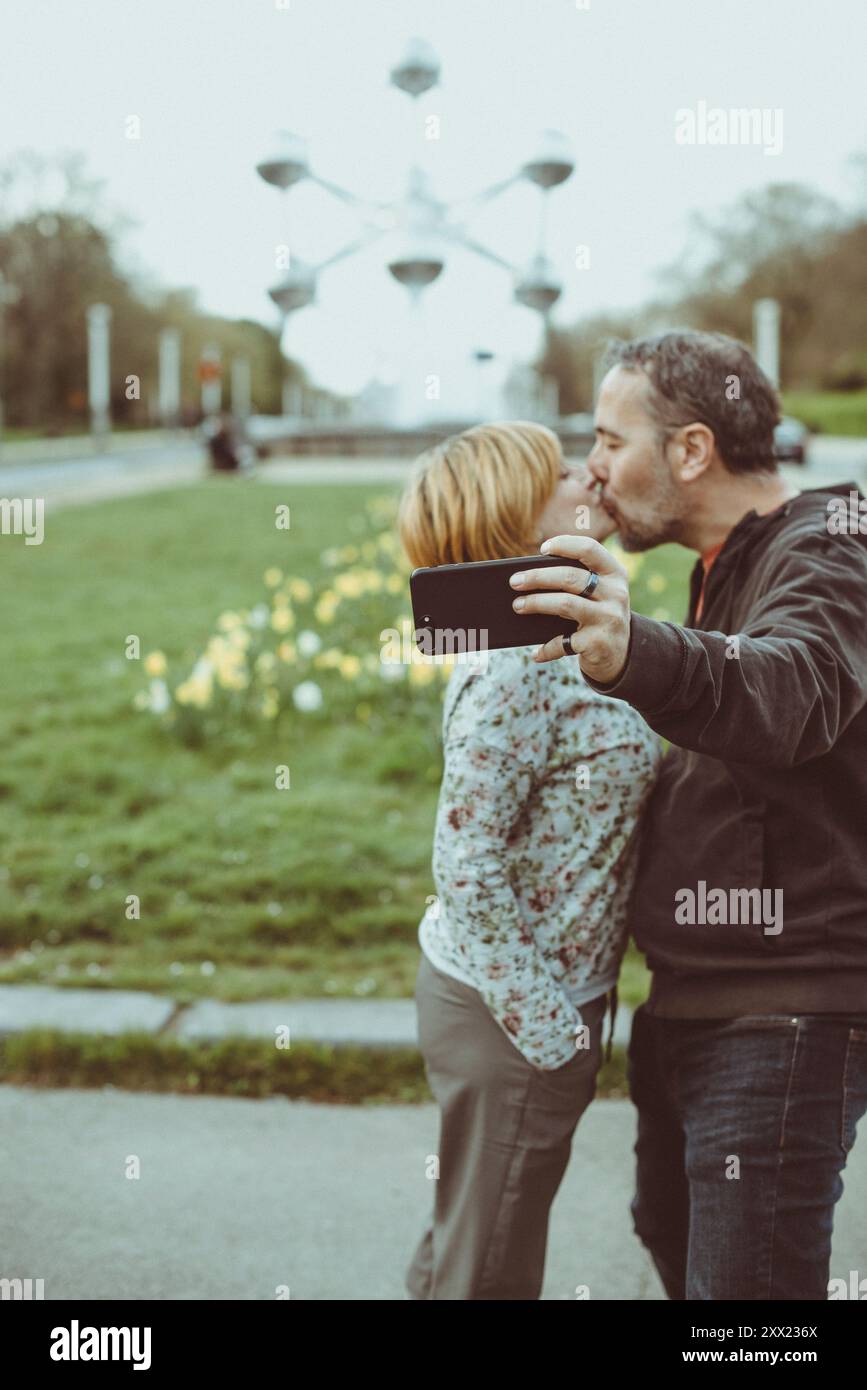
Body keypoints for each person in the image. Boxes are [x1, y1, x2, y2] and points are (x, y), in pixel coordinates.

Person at [509, 330, 867, 1300]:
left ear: (693, 450)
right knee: (676, 1241)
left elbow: (791, 688)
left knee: (746, 1305)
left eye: (609, 439)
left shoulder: (835, 544)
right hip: (700, 998)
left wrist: (637, 656)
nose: (591, 466)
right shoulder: (732, 562)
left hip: (782, 1008)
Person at [398, 422, 662, 1300]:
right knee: (492, 1266)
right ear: (517, 521)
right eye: (559, 474)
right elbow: (465, 866)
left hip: (538, 1001)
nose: (588, 472)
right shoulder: (512, 666)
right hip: (512, 1016)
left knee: (475, 1237)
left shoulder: (558, 632)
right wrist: (554, 1038)